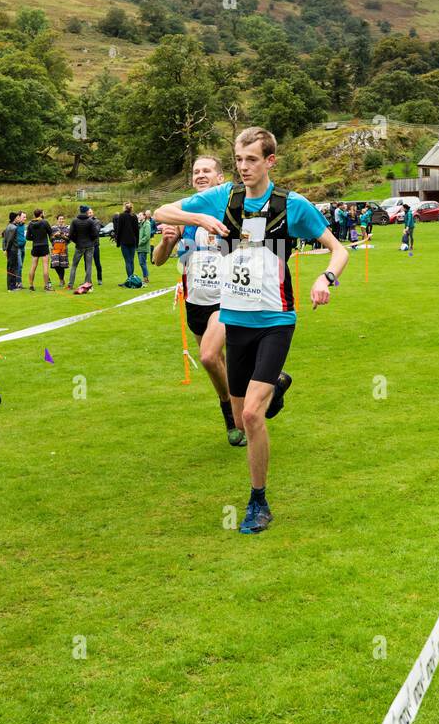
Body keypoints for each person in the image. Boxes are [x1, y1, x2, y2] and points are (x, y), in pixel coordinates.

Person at [156, 125, 348, 534]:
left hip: (276, 320)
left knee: (250, 415)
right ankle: (276, 385)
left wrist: (324, 279)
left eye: (252, 160)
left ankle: (258, 501)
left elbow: (339, 249)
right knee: (244, 421)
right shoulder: (223, 198)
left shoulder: (291, 205)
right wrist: (198, 217)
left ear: (270, 161)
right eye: (239, 159)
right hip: (234, 320)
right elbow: (161, 212)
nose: (243, 167)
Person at [153, 154, 245, 448]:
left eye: (207, 171)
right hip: (195, 302)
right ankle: (260, 390)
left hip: (228, 298)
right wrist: (167, 241)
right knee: (216, 362)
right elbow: (158, 261)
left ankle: (235, 416)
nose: (201, 175)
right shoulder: (185, 214)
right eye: (196, 171)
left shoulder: (230, 207)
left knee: (208, 356)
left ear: (220, 178)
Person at [68, 204, 99, 289]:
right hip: (89, 246)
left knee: (74, 265)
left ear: (80, 211)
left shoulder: (74, 221)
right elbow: (95, 234)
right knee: (89, 265)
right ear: (86, 212)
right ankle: (87, 283)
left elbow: (70, 235)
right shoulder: (90, 221)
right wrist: (91, 240)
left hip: (79, 246)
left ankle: (70, 284)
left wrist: (76, 241)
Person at [26, 208, 55, 292]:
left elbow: (28, 237)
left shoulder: (30, 224)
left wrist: (35, 238)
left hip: (35, 246)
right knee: (45, 266)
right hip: (44, 246)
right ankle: (46, 286)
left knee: (33, 266)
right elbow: (51, 233)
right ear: (41, 214)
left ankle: (31, 286)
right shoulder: (44, 222)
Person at [113, 201, 140, 284]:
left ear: (124, 207)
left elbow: (119, 230)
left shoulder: (121, 216)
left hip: (124, 241)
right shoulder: (134, 216)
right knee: (131, 260)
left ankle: (130, 280)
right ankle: (132, 279)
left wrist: (117, 242)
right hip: (132, 241)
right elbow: (137, 231)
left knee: (127, 261)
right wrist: (137, 242)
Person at [2, 212, 21, 290]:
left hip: (10, 250)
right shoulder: (14, 228)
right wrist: (6, 249)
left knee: (11, 268)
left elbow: (4, 239)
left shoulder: (8, 226)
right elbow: (10, 240)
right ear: (14, 218)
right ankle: (11, 287)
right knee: (12, 268)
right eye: (17, 217)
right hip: (12, 250)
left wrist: (4, 249)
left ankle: (12, 286)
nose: (18, 218)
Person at [51, 213, 70, 287]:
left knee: (62, 265)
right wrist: (54, 235)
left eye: (62, 219)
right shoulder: (53, 228)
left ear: (64, 220)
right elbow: (50, 238)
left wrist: (62, 236)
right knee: (55, 264)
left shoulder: (67, 228)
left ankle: (61, 280)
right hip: (55, 248)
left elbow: (69, 239)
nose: (61, 220)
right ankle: (61, 278)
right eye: (60, 219)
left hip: (63, 248)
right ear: (57, 220)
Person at [137, 212, 152, 283]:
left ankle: (146, 278)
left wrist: (140, 242)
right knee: (142, 263)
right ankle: (145, 277)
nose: (138, 216)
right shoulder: (140, 224)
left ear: (144, 216)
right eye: (138, 215)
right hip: (139, 247)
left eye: (140, 215)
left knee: (142, 263)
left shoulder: (147, 224)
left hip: (143, 247)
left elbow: (147, 236)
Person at [15, 210, 27, 285]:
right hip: (17, 248)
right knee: (19, 265)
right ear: (19, 217)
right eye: (24, 217)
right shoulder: (15, 225)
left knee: (20, 266)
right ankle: (18, 282)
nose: (25, 218)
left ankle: (19, 282)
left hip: (23, 248)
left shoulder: (24, 226)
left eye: (25, 217)